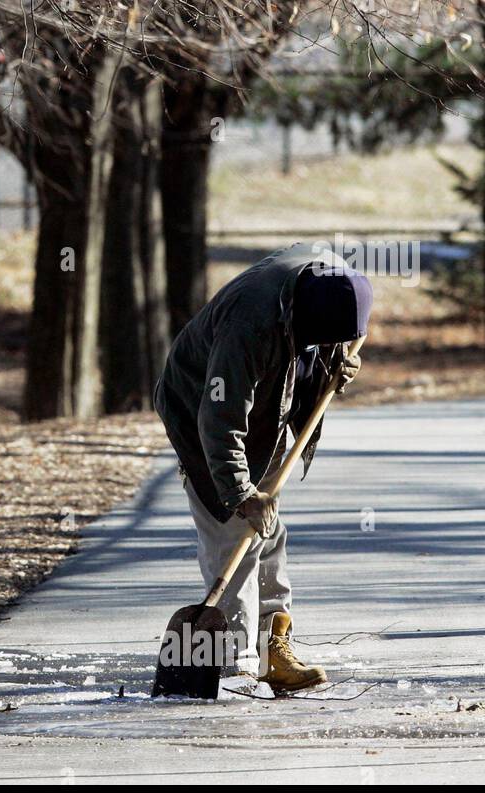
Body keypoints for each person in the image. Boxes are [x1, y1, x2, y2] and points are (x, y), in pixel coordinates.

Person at [154, 244, 372, 693]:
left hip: (270, 404)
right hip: (202, 411)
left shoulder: (334, 284)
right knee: (232, 531)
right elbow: (219, 419)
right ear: (298, 316)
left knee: (268, 531)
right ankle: (237, 666)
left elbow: (335, 334)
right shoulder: (248, 325)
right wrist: (239, 494)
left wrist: (339, 361)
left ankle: (274, 647)